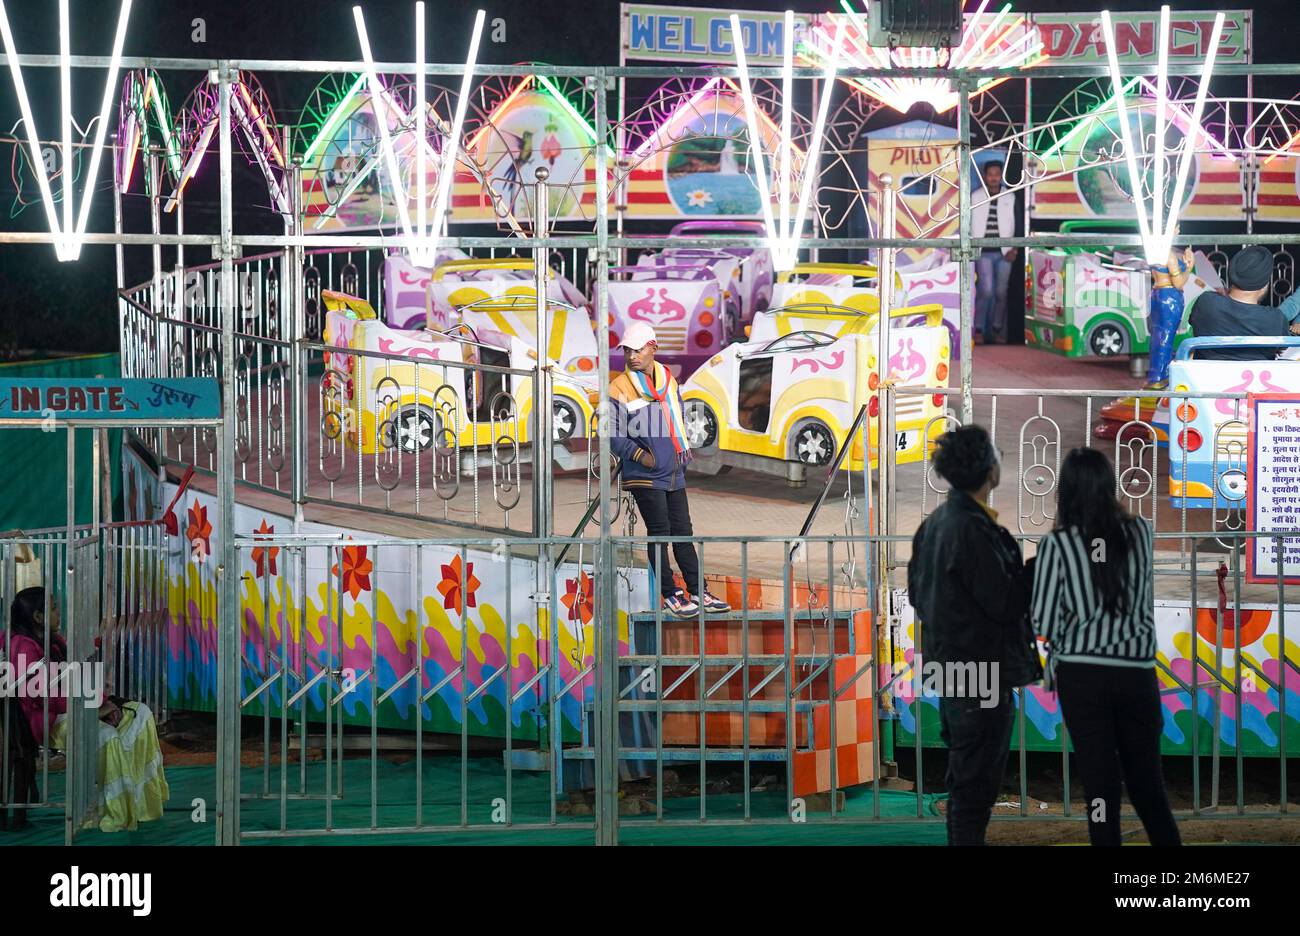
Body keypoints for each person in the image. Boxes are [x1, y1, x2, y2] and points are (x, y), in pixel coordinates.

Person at [1031, 449, 1181, 847]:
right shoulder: (1142, 532)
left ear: (1065, 492)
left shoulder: (1056, 545)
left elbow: (1042, 621)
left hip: (1082, 677)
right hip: (1137, 673)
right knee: (1148, 785)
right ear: (1109, 486)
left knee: (1100, 789)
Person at [908, 425, 1040, 846]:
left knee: (967, 771)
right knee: (976, 780)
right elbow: (1004, 602)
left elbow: (917, 594)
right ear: (987, 469)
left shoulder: (935, 525)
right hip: (977, 667)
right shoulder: (973, 530)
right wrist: (1042, 564)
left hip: (953, 665)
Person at [6, 587, 170, 833]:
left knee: (142, 713)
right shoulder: (23, 646)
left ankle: (139, 802)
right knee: (107, 737)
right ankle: (111, 810)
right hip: (48, 720)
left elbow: (80, 674)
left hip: (76, 706)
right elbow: (39, 697)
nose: (59, 612)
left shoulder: (55, 639)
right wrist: (91, 707)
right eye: (53, 608)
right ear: (38, 617)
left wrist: (104, 702)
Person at [608, 322, 730, 619]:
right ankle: (671, 594)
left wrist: (678, 456)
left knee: (683, 532)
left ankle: (697, 590)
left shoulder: (668, 381)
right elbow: (611, 433)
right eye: (627, 350)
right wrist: (640, 455)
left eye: (638, 349)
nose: (632, 355)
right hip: (645, 474)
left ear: (653, 348)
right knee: (659, 534)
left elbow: (679, 418)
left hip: (674, 471)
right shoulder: (619, 387)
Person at [1188, 245, 1290, 360]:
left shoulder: (1206, 303)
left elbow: (1192, 322)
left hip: (1206, 377)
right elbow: (1282, 347)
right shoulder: (1275, 319)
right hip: (1257, 377)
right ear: (1265, 284)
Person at [971, 160, 1018, 344]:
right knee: (986, 291)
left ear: (1001, 175)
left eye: (997, 174)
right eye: (990, 174)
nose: (993, 178)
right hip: (983, 251)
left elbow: (1018, 223)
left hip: (1005, 252)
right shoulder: (975, 197)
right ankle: (980, 330)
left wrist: (1014, 248)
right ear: (985, 176)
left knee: (1001, 292)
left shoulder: (1010, 196)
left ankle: (997, 329)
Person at [1144, 245, 1195, 389]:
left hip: (1157, 294)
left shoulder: (1154, 250)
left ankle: (1156, 376)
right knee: (1166, 337)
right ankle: (1160, 377)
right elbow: (1178, 282)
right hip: (1170, 297)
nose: (1178, 230)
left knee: (1157, 337)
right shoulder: (1169, 254)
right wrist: (1189, 268)